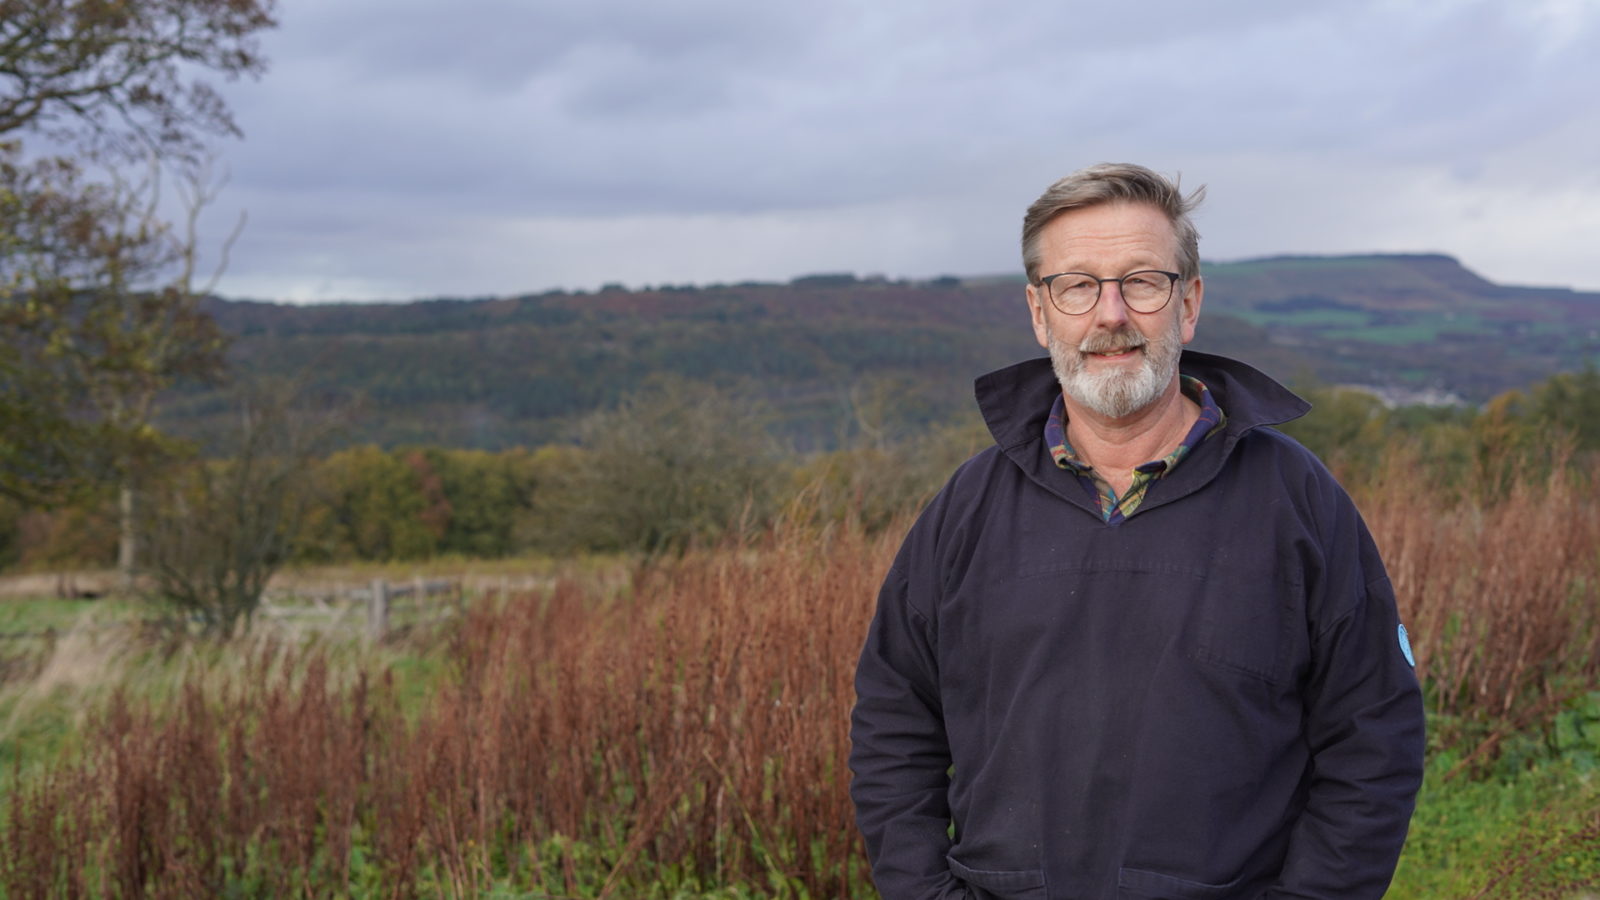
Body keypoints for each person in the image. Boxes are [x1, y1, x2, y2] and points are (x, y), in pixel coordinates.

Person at [848, 163, 1425, 900]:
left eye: (1143, 282)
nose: (1111, 314)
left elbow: (1374, 739)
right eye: (1077, 286)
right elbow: (894, 726)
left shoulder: (1296, 501)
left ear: (1189, 304)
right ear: (1040, 312)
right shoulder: (967, 510)